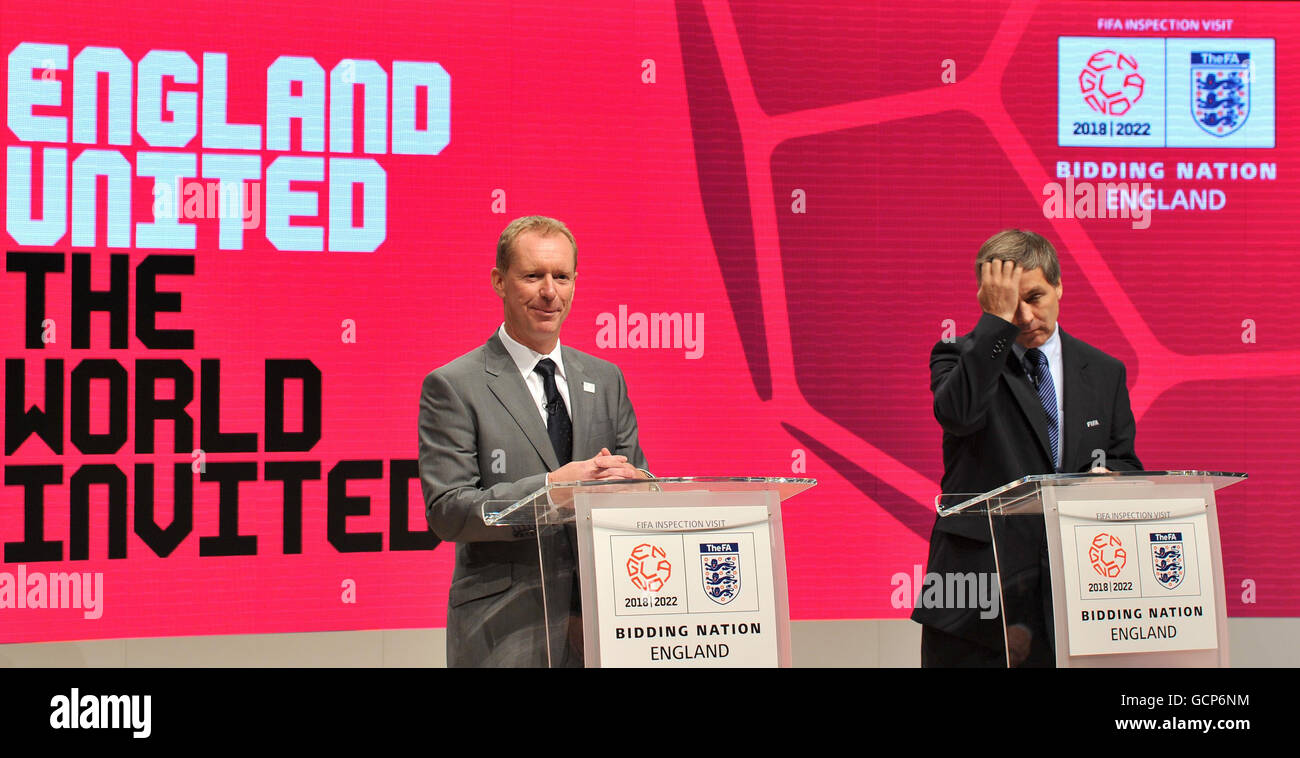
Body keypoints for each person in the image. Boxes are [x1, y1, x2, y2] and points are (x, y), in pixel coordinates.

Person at [418, 216, 650, 667]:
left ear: (575, 282)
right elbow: (448, 511)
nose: (550, 292)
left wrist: (637, 481)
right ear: (499, 281)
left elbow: (640, 487)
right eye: (533, 276)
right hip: (504, 629)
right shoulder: (454, 385)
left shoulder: (605, 380)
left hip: (606, 624)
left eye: (561, 276)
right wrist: (552, 490)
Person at [913, 229, 1142, 667]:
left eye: (1034, 297)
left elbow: (1124, 460)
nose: (1023, 315)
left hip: (1075, 591)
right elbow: (959, 415)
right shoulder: (957, 356)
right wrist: (994, 327)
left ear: (1059, 286)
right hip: (974, 596)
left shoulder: (1105, 371)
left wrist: (1110, 480)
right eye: (1008, 304)